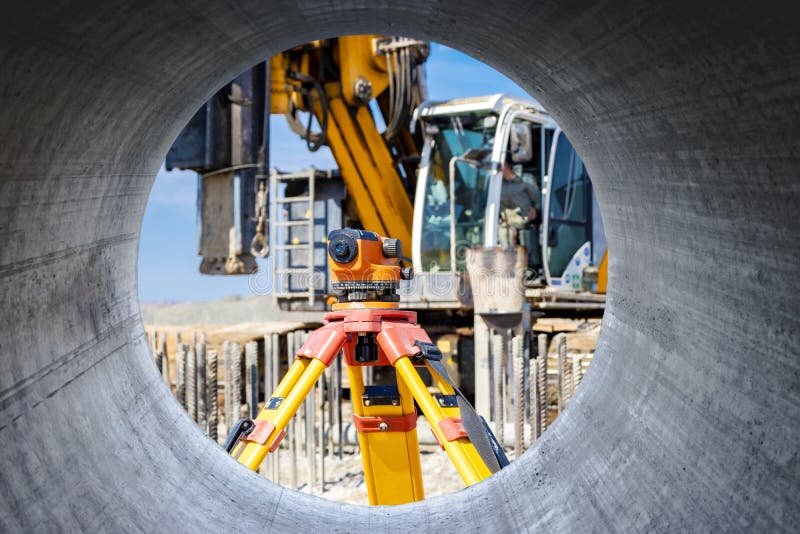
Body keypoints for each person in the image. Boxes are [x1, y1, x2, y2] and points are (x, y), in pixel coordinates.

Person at [499, 154, 541, 268]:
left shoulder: (526, 179)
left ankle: (531, 268)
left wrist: (535, 211)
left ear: (506, 164)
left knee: (528, 242)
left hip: (525, 223)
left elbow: (539, 201)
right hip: (505, 225)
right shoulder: (494, 183)